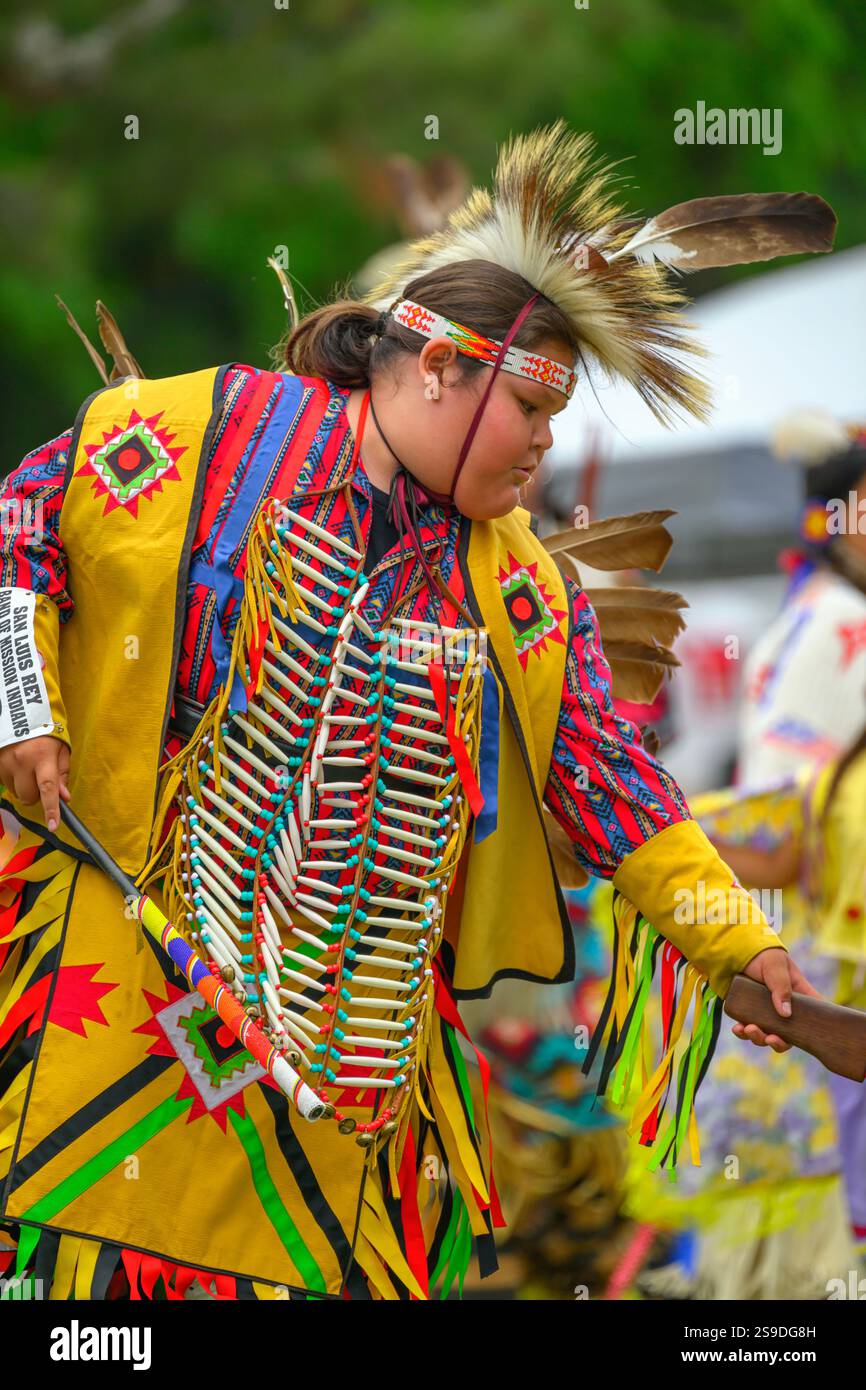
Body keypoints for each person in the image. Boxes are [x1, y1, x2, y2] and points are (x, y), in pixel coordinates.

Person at [0, 122, 832, 1301]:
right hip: (119, 986)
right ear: (433, 368)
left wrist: (737, 941)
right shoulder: (198, 433)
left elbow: (610, 783)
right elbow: (18, 531)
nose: (546, 443)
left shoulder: (517, 586)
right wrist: (23, 709)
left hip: (342, 1063)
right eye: (531, 404)